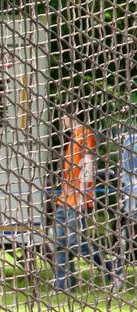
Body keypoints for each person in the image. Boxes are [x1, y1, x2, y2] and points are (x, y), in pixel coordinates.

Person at [53, 105, 112, 292]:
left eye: (63, 117)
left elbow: (89, 167)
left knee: (78, 244)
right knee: (60, 243)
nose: (61, 121)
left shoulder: (86, 135)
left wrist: (82, 195)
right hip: (64, 198)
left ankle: (112, 269)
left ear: (69, 117)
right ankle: (64, 286)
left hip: (76, 198)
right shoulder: (73, 138)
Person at [117, 125, 137, 290]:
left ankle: (119, 277)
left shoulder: (128, 140)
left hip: (130, 200)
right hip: (132, 198)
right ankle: (119, 276)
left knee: (124, 238)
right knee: (125, 237)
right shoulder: (130, 140)